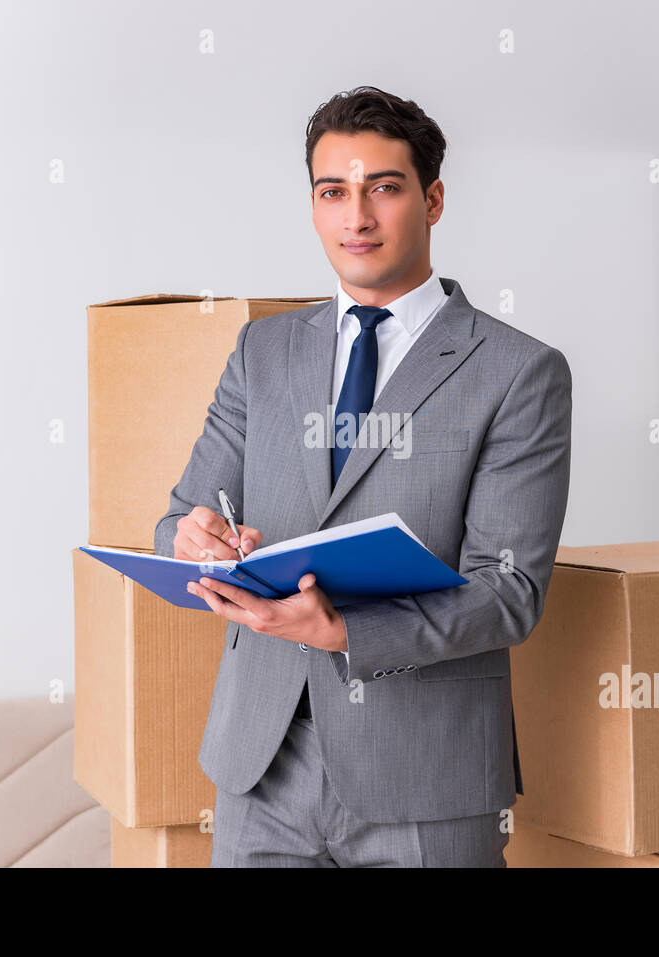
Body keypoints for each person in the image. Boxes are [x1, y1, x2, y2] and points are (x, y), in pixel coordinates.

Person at [154, 86, 572, 867]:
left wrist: (346, 630)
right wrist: (195, 540)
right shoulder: (262, 352)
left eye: (384, 187)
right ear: (313, 206)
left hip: (426, 776)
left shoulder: (518, 373)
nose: (357, 218)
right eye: (332, 192)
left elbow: (510, 592)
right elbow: (178, 518)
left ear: (433, 198)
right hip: (262, 767)